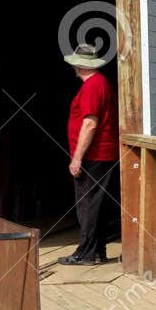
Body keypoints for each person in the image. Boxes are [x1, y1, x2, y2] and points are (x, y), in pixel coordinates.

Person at [59, 42, 120, 266]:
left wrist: (77, 157)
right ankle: (96, 251)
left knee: (87, 205)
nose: (73, 68)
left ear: (81, 66)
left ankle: (86, 253)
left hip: (94, 155)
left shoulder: (92, 86)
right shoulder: (101, 83)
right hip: (103, 154)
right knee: (97, 204)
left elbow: (90, 124)